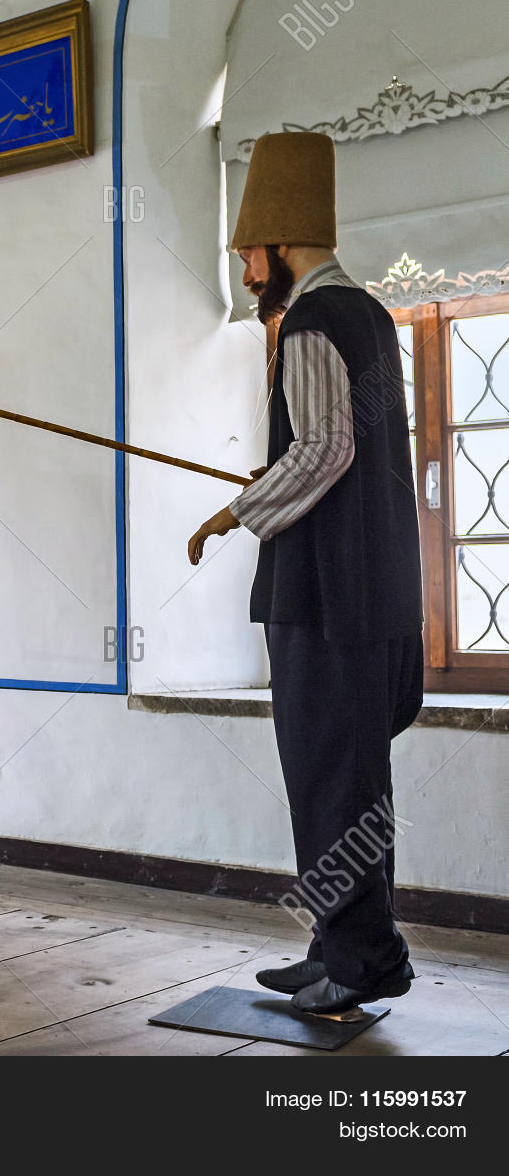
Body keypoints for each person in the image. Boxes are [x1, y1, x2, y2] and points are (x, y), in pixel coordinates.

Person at [187, 132, 422, 1016]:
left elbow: (326, 447)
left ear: (282, 243)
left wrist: (233, 511)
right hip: (378, 592)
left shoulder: (314, 320)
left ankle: (358, 962)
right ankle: (340, 946)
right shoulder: (372, 315)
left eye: (250, 252)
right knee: (350, 780)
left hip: (325, 597)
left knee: (330, 779)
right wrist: (272, 476)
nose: (248, 270)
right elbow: (348, 456)